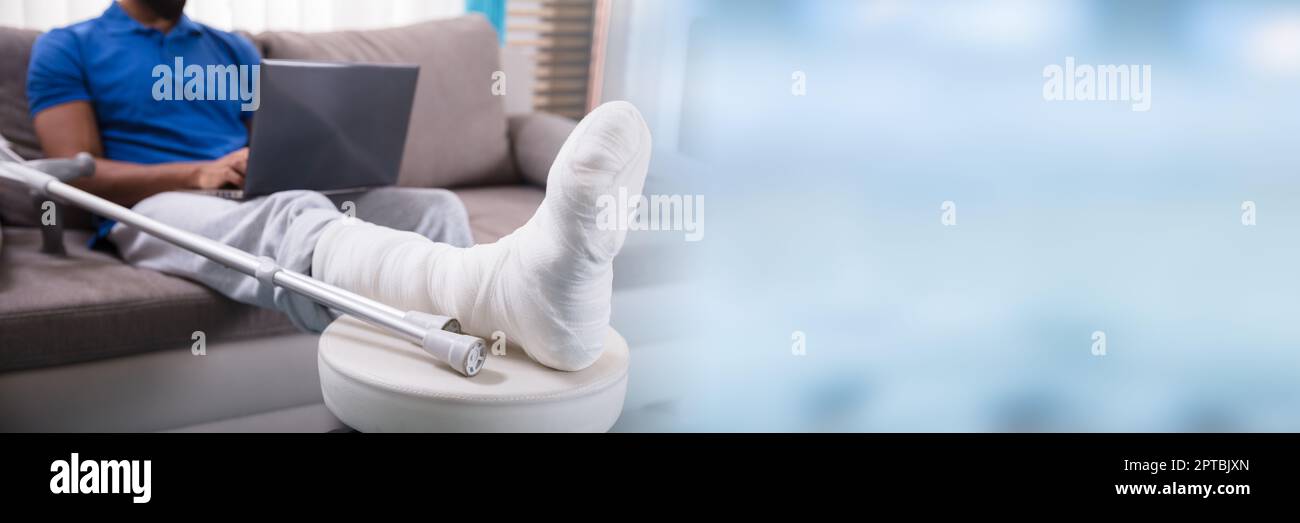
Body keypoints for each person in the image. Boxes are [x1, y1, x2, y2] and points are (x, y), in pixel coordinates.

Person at [27, 0, 651, 371]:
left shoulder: (229, 47)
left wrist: (324, 155)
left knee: (432, 209)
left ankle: (485, 338)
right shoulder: (68, 47)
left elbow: (276, 139)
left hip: (254, 190)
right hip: (158, 208)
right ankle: (499, 297)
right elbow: (83, 172)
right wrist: (199, 172)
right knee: (292, 210)